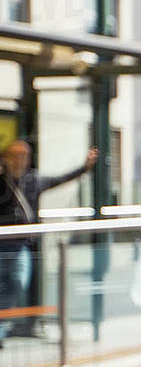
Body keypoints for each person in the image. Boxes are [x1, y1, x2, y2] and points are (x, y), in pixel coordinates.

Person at [0, 140, 97, 344]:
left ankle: (2, 326)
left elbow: (60, 179)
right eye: (15, 156)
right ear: (6, 158)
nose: (20, 160)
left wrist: (84, 168)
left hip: (21, 246)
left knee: (17, 283)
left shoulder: (33, 180)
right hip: (2, 244)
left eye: (23, 156)